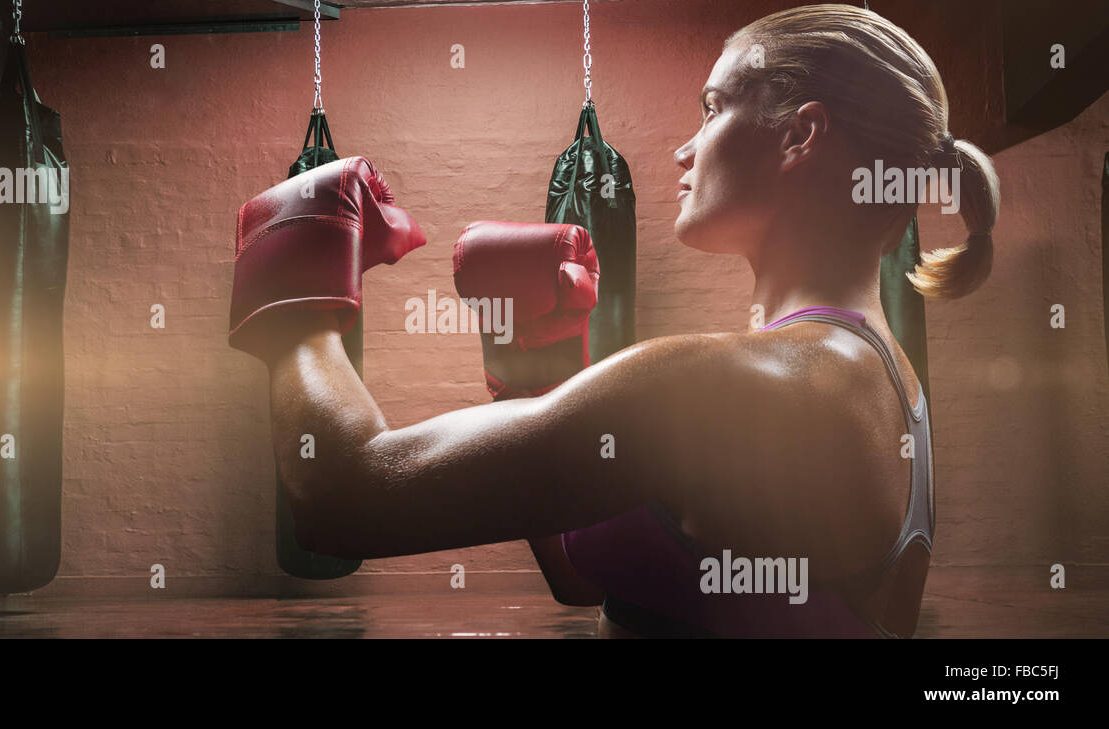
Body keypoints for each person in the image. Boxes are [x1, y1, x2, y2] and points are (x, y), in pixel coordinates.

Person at [227, 4, 999, 638]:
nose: (684, 147)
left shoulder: (742, 384)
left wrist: (297, 290)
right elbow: (586, 570)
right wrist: (531, 367)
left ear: (800, 134)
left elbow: (342, 494)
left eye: (713, 107)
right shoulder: (881, 377)